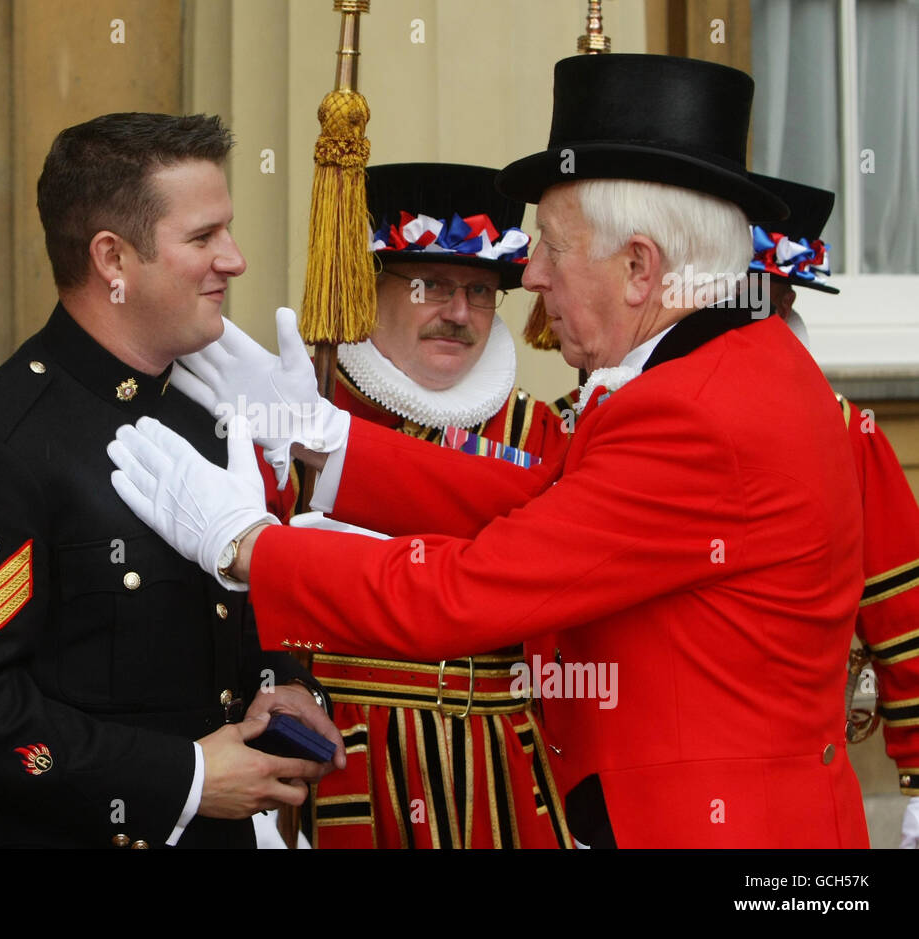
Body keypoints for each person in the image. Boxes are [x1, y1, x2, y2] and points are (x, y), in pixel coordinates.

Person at [108, 54, 872, 847]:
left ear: (639, 267)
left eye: (552, 246)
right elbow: (549, 501)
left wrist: (245, 545)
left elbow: (461, 592)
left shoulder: (694, 412)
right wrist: (326, 444)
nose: (531, 274)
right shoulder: (740, 366)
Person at [0, 112, 342, 849]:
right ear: (113, 259)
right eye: (203, 237)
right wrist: (182, 775)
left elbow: (224, 627)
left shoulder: (205, 414)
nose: (235, 259)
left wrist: (282, 686)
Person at [296, 162, 570, 848]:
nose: (458, 313)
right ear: (369, 285)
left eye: (480, 292)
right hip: (342, 762)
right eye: (432, 286)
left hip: (500, 770)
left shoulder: (540, 433)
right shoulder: (303, 416)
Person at [749, 172, 919, 847]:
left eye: (777, 300)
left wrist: (915, 780)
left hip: (799, 776)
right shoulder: (601, 420)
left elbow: (903, 609)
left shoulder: (850, 433)